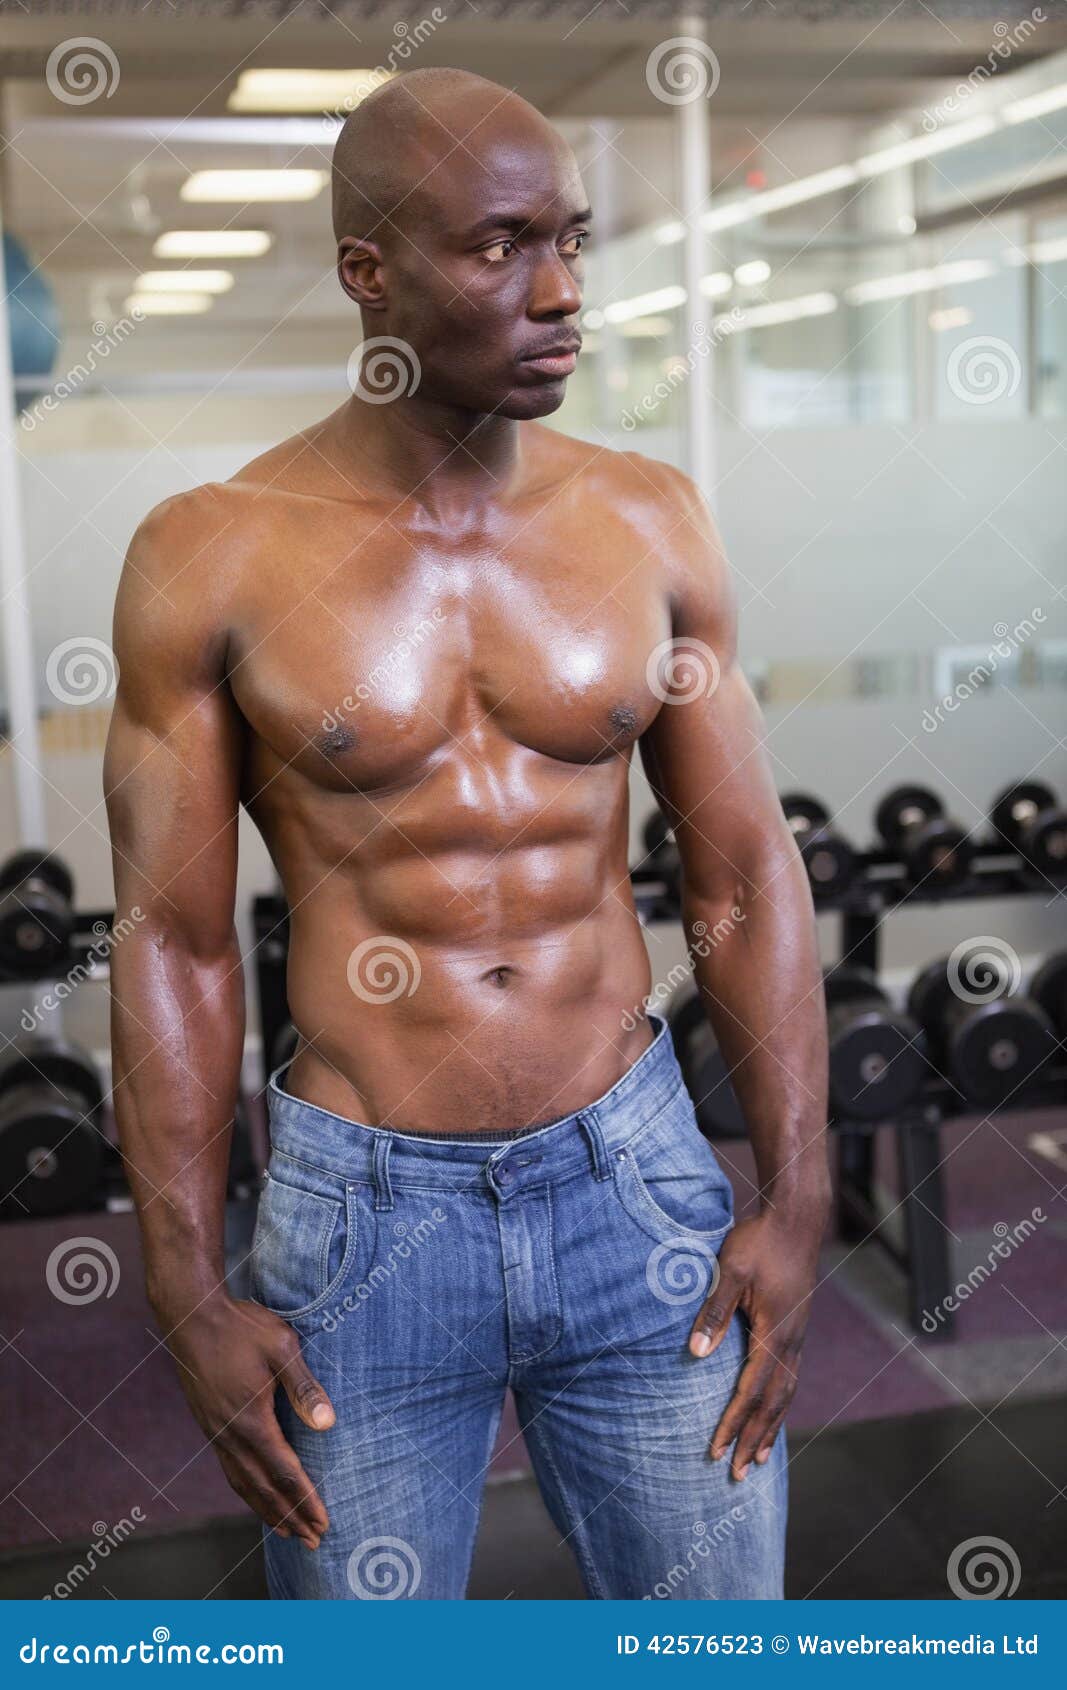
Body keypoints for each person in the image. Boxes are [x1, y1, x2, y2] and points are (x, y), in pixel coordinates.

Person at [103, 67, 829, 1601]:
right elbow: (172, 938)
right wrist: (181, 1281)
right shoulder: (213, 550)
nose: (561, 291)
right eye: (501, 246)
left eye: (571, 239)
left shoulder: (649, 520)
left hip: (631, 1182)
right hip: (362, 1222)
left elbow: (745, 873)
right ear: (370, 271)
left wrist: (798, 1186)